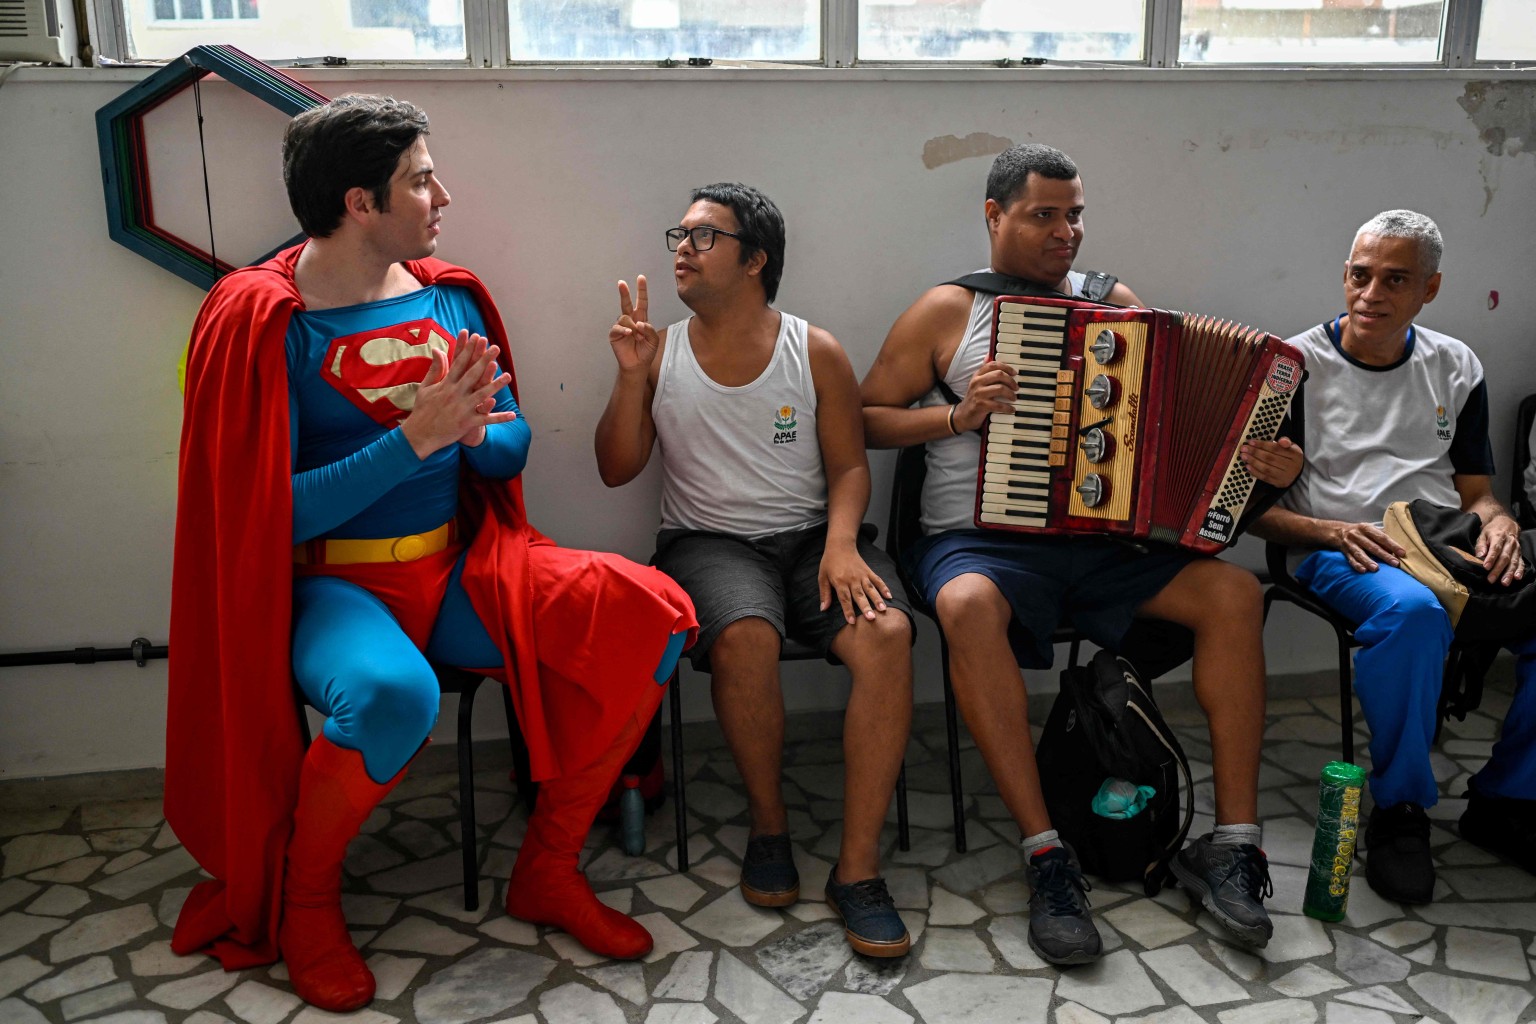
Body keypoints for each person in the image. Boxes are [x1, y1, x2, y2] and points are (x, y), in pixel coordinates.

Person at [166, 95, 697, 1012]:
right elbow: (257, 518)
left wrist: (470, 432)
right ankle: (305, 907)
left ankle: (550, 869)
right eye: (419, 179)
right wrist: (411, 441)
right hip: (337, 589)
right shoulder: (267, 320)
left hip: (461, 564)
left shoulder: (448, 294)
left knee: (651, 613)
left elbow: (513, 447)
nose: (441, 194)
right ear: (360, 202)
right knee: (390, 693)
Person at [860, 143, 1300, 963]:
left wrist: (1256, 461)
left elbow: (1169, 426)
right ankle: (1047, 854)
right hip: (979, 542)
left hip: (1104, 543)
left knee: (1235, 596)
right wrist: (955, 419)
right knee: (962, 607)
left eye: (1076, 214)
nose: (1069, 231)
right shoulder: (946, 310)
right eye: (1045, 215)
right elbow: (866, 419)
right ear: (994, 216)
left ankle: (1235, 846)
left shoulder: (1117, 304)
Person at [593, 183, 915, 957]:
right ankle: (769, 828)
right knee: (743, 637)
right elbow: (614, 470)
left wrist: (842, 545)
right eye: (680, 233)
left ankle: (858, 870)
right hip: (707, 543)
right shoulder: (661, 350)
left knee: (887, 635)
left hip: (813, 539)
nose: (681, 247)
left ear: (755, 259)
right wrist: (631, 377)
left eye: (704, 237)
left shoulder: (815, 349)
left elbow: (848, 469)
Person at [1252, 209, 1536, 904]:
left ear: (1429, 290)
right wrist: (1330, 531)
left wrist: (1496, 523)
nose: (1371, 293)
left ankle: (1508, 799)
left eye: (1395, 280)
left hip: (1442, 542)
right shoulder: (1291, 369)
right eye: (1360, 274)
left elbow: (1476, 492)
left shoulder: (1455, 364)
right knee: (1412, 614)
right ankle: (1402, 810)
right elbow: (1253, 516)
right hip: (1342, 547)